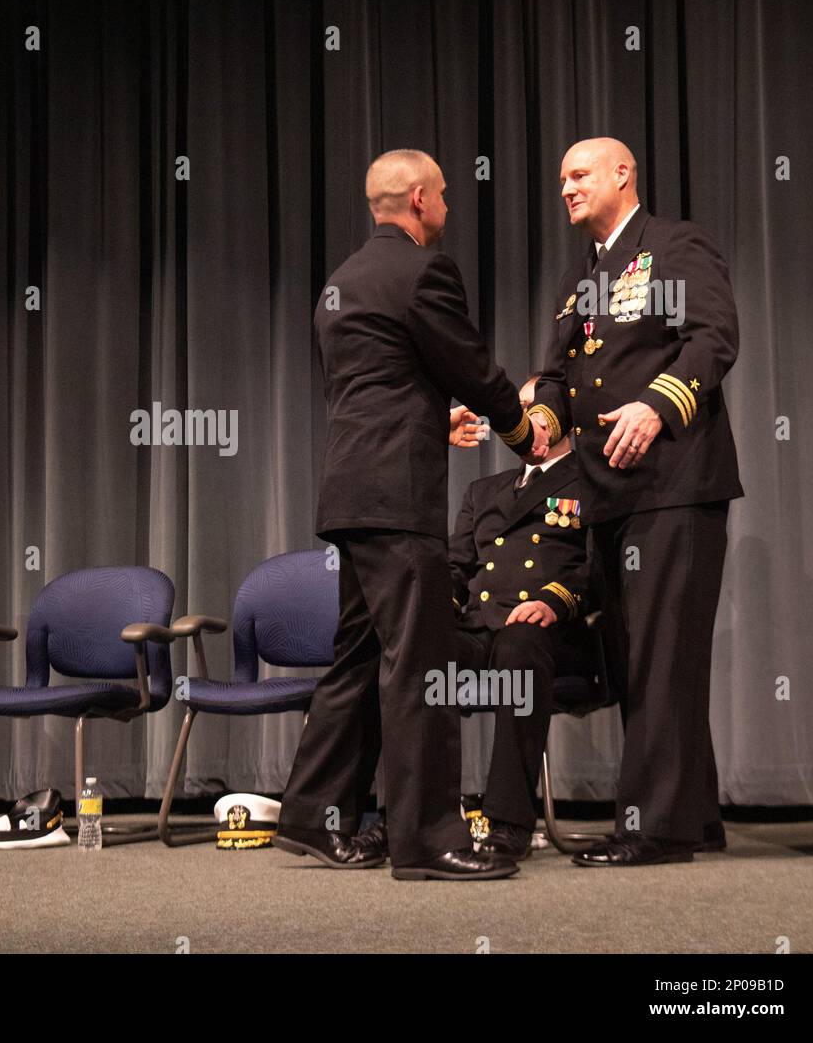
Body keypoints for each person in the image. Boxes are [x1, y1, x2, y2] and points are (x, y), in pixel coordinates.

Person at [273, 149, 547, 881]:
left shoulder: (340, 283)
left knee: (359, 658)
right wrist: (520, 430)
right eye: (448, 195)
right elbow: (468, 362)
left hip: (352, 492)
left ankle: (311, 817)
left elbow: (374, 386)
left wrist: (433, 419)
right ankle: (427, 839)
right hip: (399, 499)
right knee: (421, 665)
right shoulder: (426, 270)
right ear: (420, 199)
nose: (451, 208)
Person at [529, 137, 742, 866]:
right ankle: (695, 817)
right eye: (561, 180)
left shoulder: (674, 245)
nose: (567, 188)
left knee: (661, 657)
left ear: (625, 173)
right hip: (608, 490)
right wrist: (530, 423)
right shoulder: (580, 275)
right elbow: (557, 378)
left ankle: (652, 827)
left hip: (673, 483)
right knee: (640, 660)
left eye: (579, 174)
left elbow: (713, 338)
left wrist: (658, 404)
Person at [449, 375, 597, 859]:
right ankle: (412, 817)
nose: (519, 416)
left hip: (552, 634)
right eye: (514, 408)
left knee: (520, 642)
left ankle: (507, 820)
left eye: (532, 405)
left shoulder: (592, 480)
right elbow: (455, 570)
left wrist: (554, 602)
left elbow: (602, 568)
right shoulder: (482, 491)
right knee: (414, 651)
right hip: (478, 629)